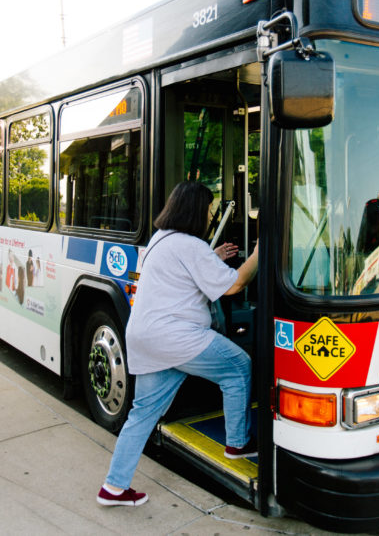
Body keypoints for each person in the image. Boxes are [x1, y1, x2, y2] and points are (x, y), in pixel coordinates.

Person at [97, 181, 259, 507]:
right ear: (196, 211)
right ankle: (237, 444)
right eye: (209, 208)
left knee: (142, 414)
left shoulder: (161, 240)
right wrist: (259, 253)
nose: (211, 214)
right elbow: (234, 285)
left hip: (146, 338)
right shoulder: (190, 246)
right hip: (177, 337)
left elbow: (180, 271)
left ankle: (113, 488)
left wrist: (211, 257)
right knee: (238, 367)